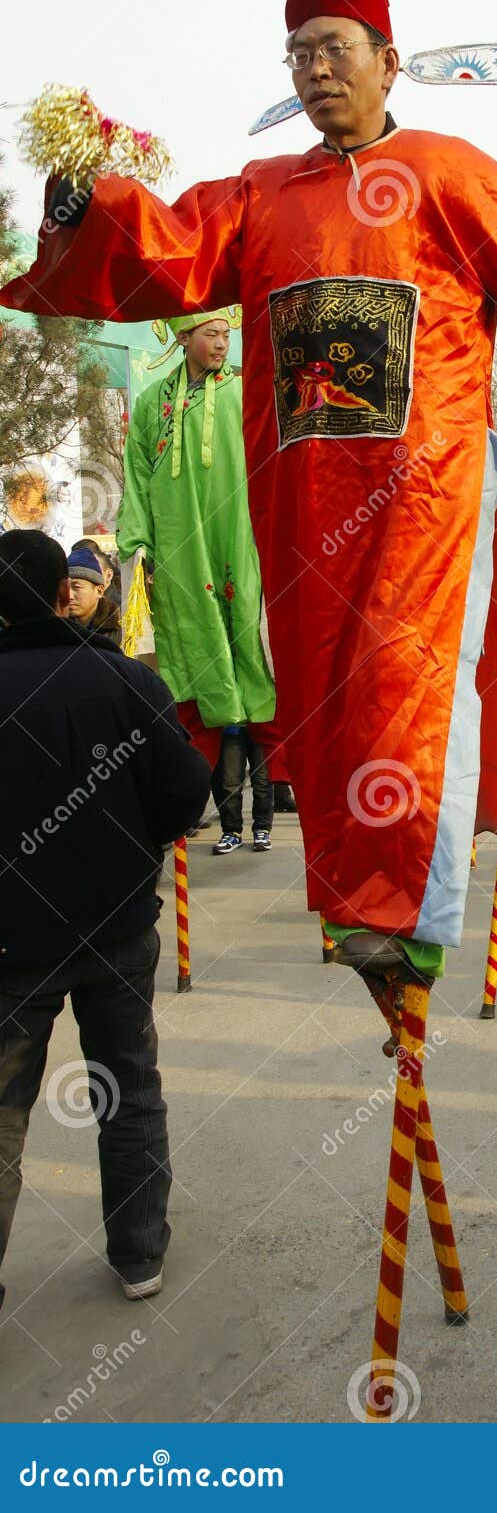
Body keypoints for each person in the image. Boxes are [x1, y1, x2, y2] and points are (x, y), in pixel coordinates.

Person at [3, 0, 497, 980]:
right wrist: (85, 199)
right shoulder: (261, 195)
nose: (315, 71)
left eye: (334, 50)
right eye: (297, 55)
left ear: (387, 61)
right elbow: (159, 252)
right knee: (326, 697)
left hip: (423, 495)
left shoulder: (448, 173)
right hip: (301, 507)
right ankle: (351, 896)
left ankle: (412, 911)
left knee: (409, 684)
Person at [0, 530, 211, 1311]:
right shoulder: (121, 682)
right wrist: (131, 842)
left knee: (3, 1115)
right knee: (128, 1087)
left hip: (10, 944)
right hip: (117, 926)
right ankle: (138, 1253)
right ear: (66, 594)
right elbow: (185, 790)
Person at [114, 310, 278, 767]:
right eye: (212, 335)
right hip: (177, 534)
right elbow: (138, 475)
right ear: (184, 337)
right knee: (188, 616)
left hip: (237, 529)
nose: (223, 344)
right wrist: (139, 542)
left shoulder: (247, 395)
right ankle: (202, 735)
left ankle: (260, 730)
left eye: (227, 335)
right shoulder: (151, 404)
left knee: (242, 606)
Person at [211, 725, 274, 853]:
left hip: (261, 724)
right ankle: (231, 832)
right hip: (233, 724)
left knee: (262, 781)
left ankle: (262, 829)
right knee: (230, 782)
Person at [66, 544, 121, 639]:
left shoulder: (121, 629)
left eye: (76, 587)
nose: (69, 595)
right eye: (65, 588)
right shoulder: (59, 629)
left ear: (99, 591)